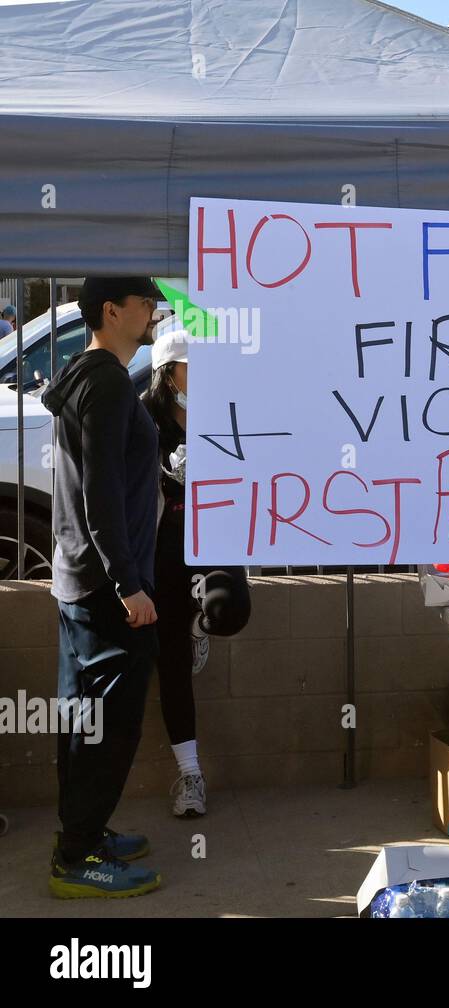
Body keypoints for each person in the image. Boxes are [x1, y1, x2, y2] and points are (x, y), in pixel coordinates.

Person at [41, 276, 164, 898]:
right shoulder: (110, 383)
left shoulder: (84, 376)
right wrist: (129, 585)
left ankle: (83, 833)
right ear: (111, 311)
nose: (153, 313)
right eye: (144, 304)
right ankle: (77, 857)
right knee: (109, 725)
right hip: (106, 589)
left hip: (78, 581)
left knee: (83, 719)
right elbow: (103, 497)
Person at [142, 327, 251, 817]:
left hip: (215, 541)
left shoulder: (222, 412)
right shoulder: (145, 418)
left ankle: (200, 624)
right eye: (192, 367)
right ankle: (190, 774)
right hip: (165, 545)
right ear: (168, 374)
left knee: (232, 610)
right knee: (171, 662)